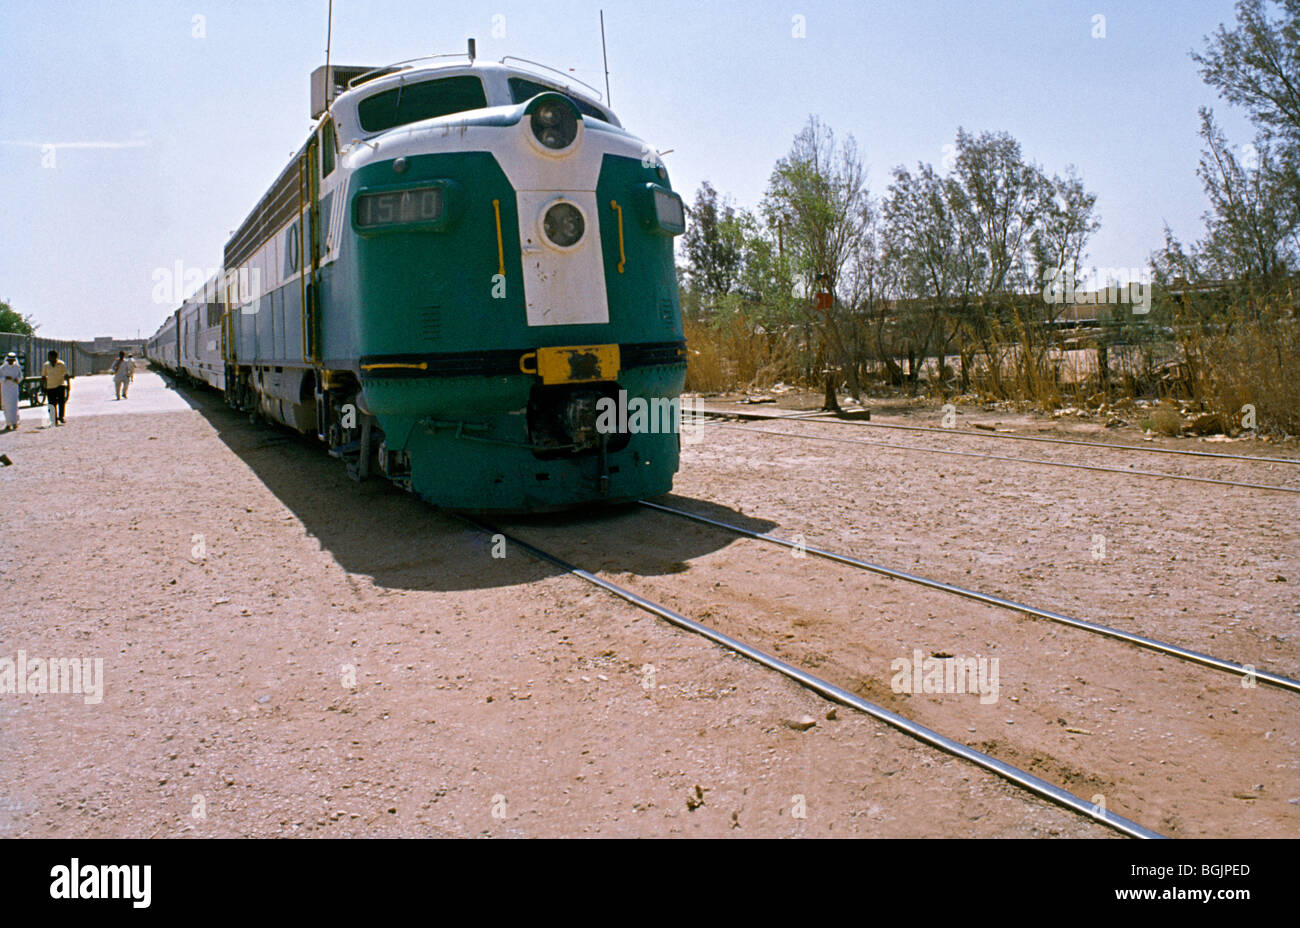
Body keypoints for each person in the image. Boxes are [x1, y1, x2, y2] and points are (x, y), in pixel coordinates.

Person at [41, 349, 71, 425]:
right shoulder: (46, 365)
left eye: (51, 357)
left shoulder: (61, 364)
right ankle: (53, 419)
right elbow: (43, 376)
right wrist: (42, 386)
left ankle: (61, 417)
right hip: (50, 386)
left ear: (55, 357)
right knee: (51, 403)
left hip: (60, 385)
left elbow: (66, 375)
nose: (50, 358)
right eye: (49, 357)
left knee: (61, 402)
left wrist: (68, 385)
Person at [0, 352, 21, 431]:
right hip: (5, 390)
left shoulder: (17, 367)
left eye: (12, 360)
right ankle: (8, 423)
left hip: (14, 389)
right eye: (10, 360)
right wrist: (5, 378)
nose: (11, 362)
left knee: (14, 406)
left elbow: (21, 376)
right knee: (6, 406)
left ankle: (15, 423)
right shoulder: (2, 368)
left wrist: (18, 379)